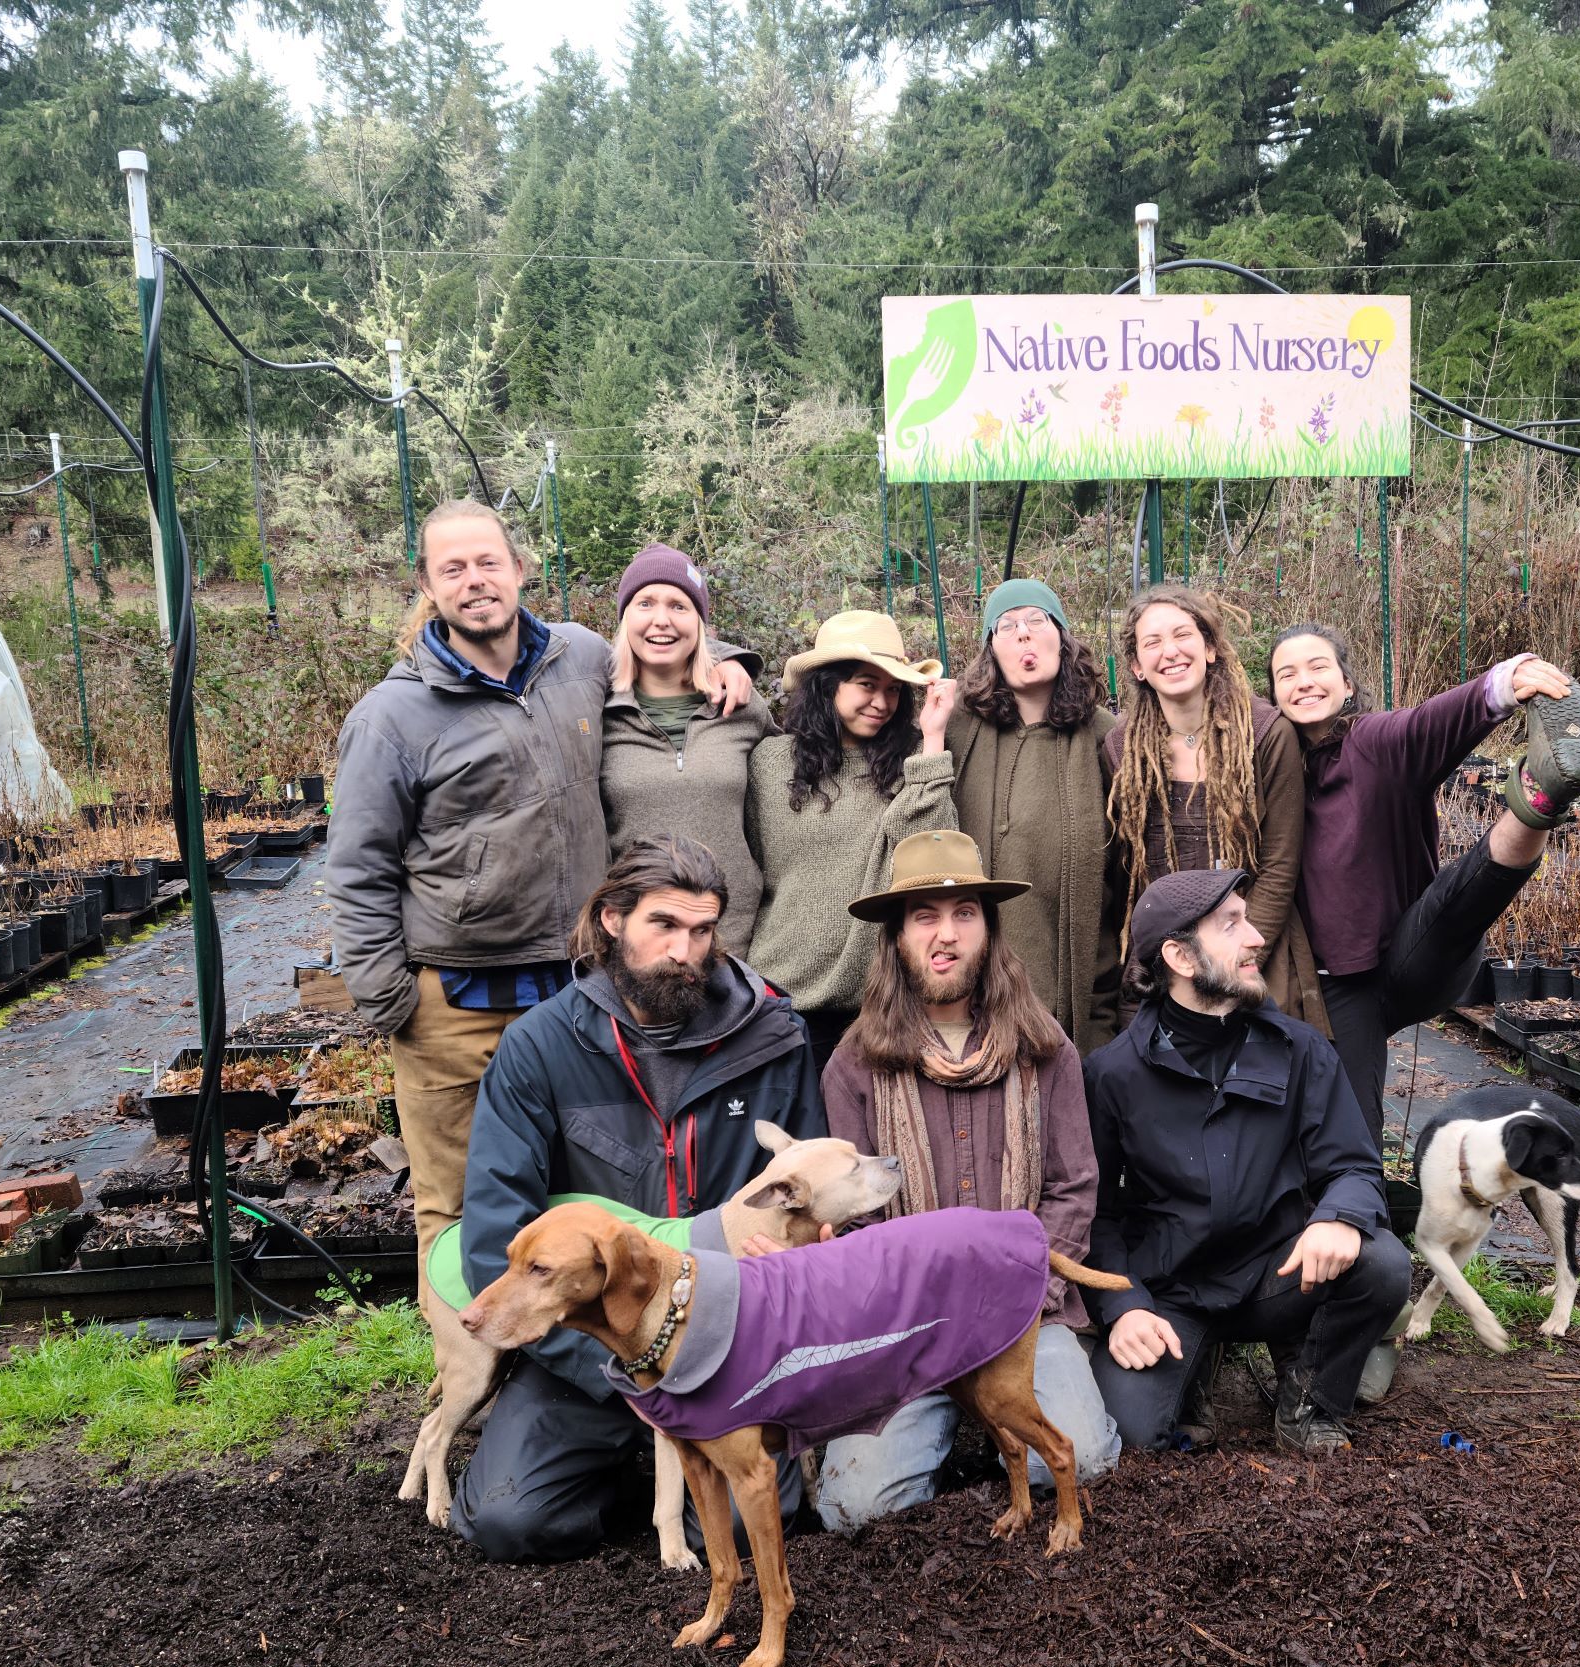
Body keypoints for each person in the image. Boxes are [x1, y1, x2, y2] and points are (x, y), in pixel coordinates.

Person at [329, 500, 752, 1264]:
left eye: (488, 562)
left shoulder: (578, 658)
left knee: (589, 1192)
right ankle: (474, 1379)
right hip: (458, 1004)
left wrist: (728, 663)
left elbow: (661, 646)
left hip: (578, 991)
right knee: (461, 1214)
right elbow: (357, 869)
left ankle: (586, 1373)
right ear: (427, 584)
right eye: (452, 568)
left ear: (519, 570)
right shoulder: (391, 717)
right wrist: (393, 1001)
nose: (474, 581)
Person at [449, 835, 824, 1564]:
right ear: (613, 920)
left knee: (750, 1532)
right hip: (594, 1357)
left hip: (728, 1351)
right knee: (510, 1523)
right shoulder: (539, 1047)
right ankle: (626, 1469)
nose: (685, 950)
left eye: (703, 930)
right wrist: (617, 1368)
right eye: (665, 926)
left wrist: (793, 1253)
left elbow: (809, 1201)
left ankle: (675, 1482)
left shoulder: (774, 1037)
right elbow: (495, 1228)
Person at [810, 828, 1121, 1530]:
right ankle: (955, 1438)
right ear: (895, 937)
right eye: (924, 916)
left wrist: (1020, 1293)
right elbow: (854, 1218)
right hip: (906, 1326)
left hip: (1023, 1317)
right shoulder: (855, 1065)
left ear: (988, 930)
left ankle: (1001, 1437)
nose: (944, 935)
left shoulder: (1045, 1049)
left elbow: (1073, 1188)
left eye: (962, 915)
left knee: (1083, 1461)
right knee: (857, 1509)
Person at [1083, 868, 1413, 1456]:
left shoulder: (1300, 1049)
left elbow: (1356, 1169)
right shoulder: (1112, 1075)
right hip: (1173, 1290)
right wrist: (1124, 1307)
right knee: (1132, 1437)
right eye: (1231, 924)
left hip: (1276, 1276)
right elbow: (1096, 1216)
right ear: (1180, 956)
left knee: (1381, 1261)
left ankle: (1309, 1400)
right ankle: (1198, 1363)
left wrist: (1336, 1216)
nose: (1257, 936)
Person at [1267, 624, 1580, 1138]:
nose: (1303, 681)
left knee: (1454, 902)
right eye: (1286, 674)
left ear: (1347, 684)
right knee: (1348, 1126)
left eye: (1317, 667)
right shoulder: (1271, 767)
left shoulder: (1371, 742)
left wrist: (1507, 681)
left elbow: (1427, 723)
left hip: (1412, 957)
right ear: (1273, 697)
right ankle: (1357, 1212)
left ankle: (1539, 798)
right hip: (1336, 988)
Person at [745, 610, 960, 1068]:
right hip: (781, 1001)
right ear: (828, 686)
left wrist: (934, 738)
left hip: (883, 1007)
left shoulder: (913, 764)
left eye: (894, 689)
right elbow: (751, 873)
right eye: (867, 684)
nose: (882, 702)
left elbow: (934, 858)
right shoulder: (770, 764)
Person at [1103, 585, 1322, 1031]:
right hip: (1163, 961)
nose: (1170, 652)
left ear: (1208, 648)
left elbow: (1280, 865)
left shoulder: (1264, 734)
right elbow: (1128, 871)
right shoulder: (1121, 746)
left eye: (1183, 635)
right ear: (1136, 666)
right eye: (1152, 643)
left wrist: (1234, 958)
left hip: (1253, 948)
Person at [947, 578, 1121, 1054]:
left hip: (1083, 1001)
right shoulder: (955, 731)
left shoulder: (1107, 737)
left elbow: (1132, 868)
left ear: (1062, 638)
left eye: (1035, 620)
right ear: (991, 651)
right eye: (1006, 626)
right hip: (973, 998)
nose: (1022, 633)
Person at [600, 543, 773, 955]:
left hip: (732, 937)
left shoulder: (742, 708)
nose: (662, 620)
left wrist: (731, 660)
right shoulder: (595, 710)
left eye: (679, 606)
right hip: (636, 945)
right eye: (645, 603)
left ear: (701, 624)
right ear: (625, 620)